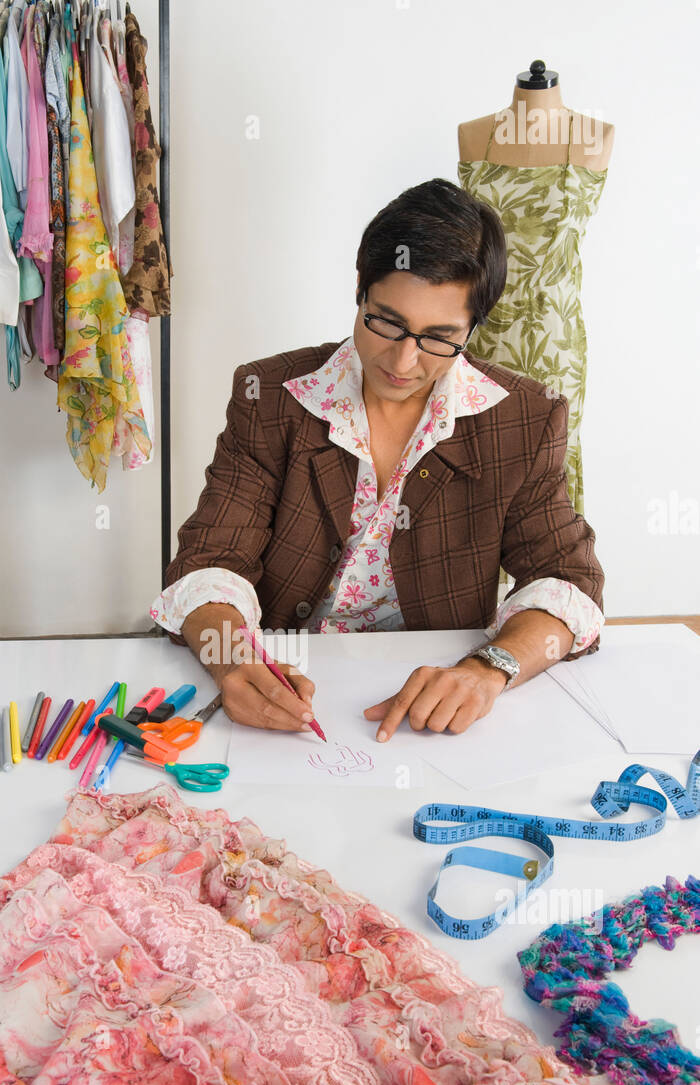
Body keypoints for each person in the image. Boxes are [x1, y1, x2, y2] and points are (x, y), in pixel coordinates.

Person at [150, 178, 604, 739]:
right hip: (286, 689)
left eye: (440, 338)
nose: (404, 359)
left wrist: (490, 669)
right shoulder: (270, 395)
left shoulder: (525, 419)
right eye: (387, 321)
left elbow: (565, 580)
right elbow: (210, 559)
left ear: (471, 330)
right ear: (360, 290)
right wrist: (234, 659)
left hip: (428, 703)